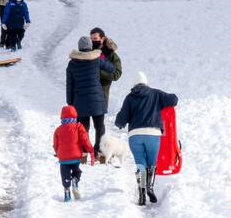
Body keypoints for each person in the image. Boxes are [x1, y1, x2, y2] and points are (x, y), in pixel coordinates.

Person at [113, 72, 179, 206]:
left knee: (140, 165)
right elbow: (174, 99)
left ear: (134, 84)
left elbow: (120, 120)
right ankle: (150, 187)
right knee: (151, 164)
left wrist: (120, 124)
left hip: (135, 136)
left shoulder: (130, 98)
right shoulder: (156, 93)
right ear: (146, 82)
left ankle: (142, 192)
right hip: (153, 135)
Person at [66, 36, 115, 159]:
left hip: (79, 102)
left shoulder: (72, 64)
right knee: (99, 126)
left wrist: (70, 102)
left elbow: (69, 85)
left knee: (83, 128)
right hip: (97, 100)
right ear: (90, 46)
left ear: (79, 48)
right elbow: (111, 68)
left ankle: (83, 152)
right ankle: (98, 151)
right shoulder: (96, 59)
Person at [53, 105, 95, 202]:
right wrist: (91, 151)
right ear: (75, 115)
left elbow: (55, 145)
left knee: (65, 174)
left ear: (62, 117)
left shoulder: (58, 130)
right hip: (75, 157)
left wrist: (58, 153)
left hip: (63, 159)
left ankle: (67, 192)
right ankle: (75, 180)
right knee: (77, 170)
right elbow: (85, 140)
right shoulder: (78, 126)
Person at [90, 28, 123, 106]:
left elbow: (117, 74)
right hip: (84, 96)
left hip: (101, 97)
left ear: (102, 39)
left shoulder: (111, 55)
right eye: (91, 39)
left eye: (95, 38)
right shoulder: (86, 53)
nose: (92, 41)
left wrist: (99, 72)